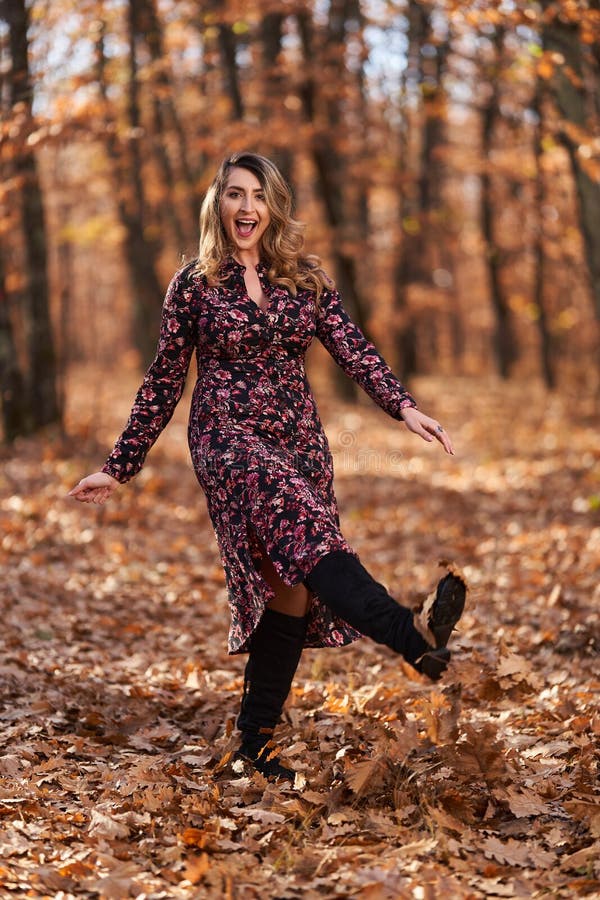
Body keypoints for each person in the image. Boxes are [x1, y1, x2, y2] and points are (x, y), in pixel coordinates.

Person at [69, 151, 466, 781]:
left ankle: (254, 746)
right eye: (234, 194)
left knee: (292, 588)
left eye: (258, 195)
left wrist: (403, 406)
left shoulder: (304, 279)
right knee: (307, 542)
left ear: (274, 205)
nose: (246, 207)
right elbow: (165, 379)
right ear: (217, 203)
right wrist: (119, 466)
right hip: (227, 441)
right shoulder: (194, 284)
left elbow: (352, 349)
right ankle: (411, 634)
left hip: (299, 441)